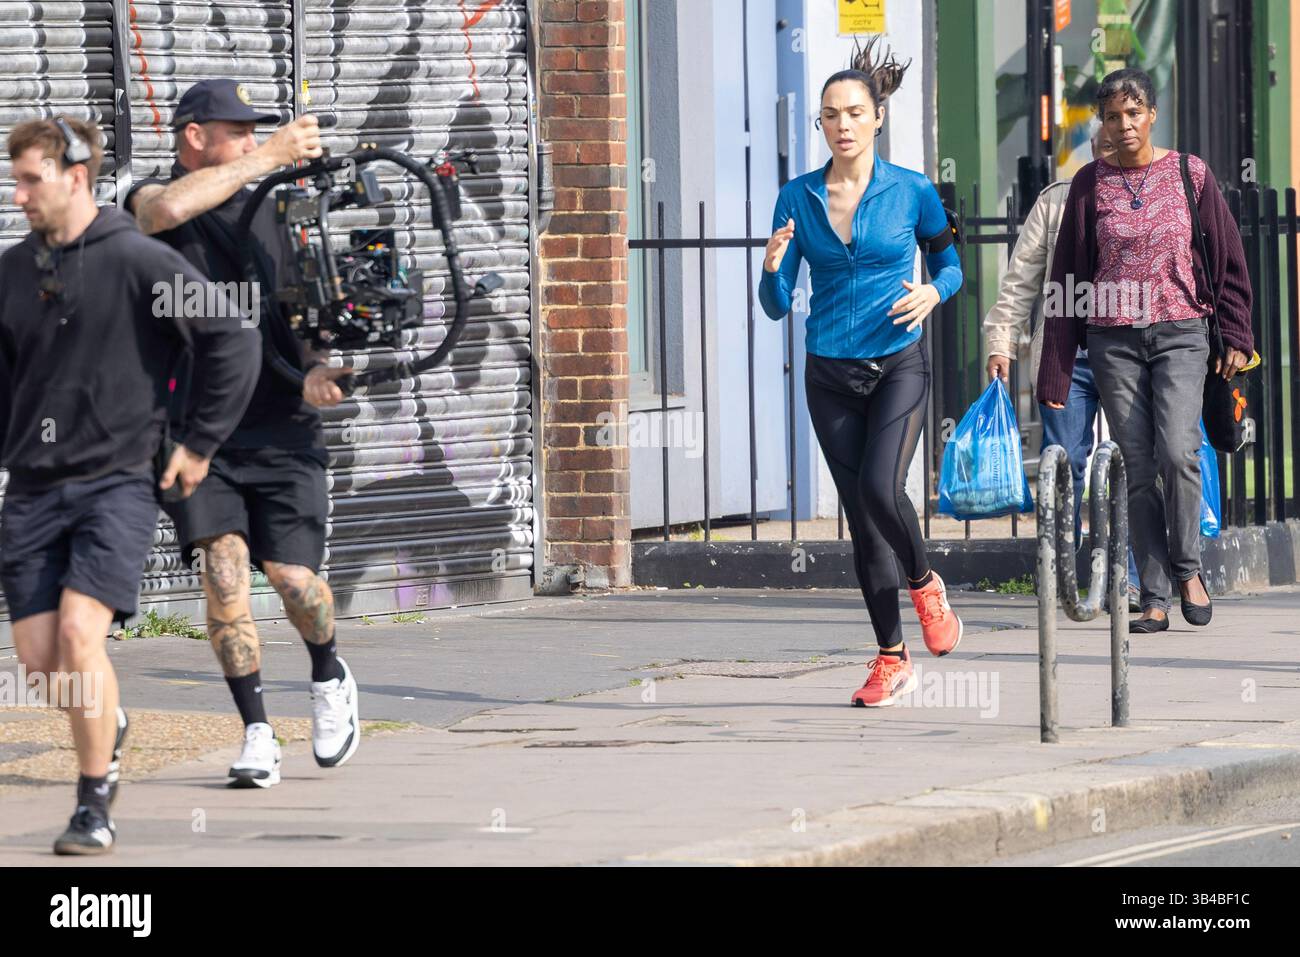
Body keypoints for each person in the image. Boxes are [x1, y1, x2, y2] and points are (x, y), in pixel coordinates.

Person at [0, 116, 259, 852]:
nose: (18, 195)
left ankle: (93, 802)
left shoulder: (141, 262)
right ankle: (105, 719)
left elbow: (232, 338)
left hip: (115, 483)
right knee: (41, 665)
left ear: (76, 177)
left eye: (32, 180)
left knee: (80, 635)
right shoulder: (12, 272)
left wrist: (200, 444)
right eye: (16, 181)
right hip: (31, 489)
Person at [127, 80, 360, 786]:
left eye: (258, 133)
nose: (254, 142)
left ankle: (328, 672)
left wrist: (317, 371)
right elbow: (165, 210)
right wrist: (271, 157)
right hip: (196, 435)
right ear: (195, 136)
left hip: (282, 429)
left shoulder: (279, 212)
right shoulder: (146, 199)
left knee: (294, 582)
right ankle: (257, 730)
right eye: (239, 131)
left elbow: (307, 317)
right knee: (223, 573)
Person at [759, 43, 964, 707]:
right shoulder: (797, 196)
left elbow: (952, 266)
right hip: (829, 375)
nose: (842, 124)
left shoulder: (912, 190)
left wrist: (933, 292)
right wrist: (771, 267)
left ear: (877, 117)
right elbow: (774, 305)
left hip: (898, 361)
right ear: (820, 124)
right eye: (830, 115)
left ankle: (925, 583)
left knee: (882, 486)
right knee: (862, 518)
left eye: (854, 112)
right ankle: (891, 657)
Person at [1037, 68, 1253, 634]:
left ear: (1152, 114)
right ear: (1103, 124)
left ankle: (1188, 570)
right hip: (1113, 340)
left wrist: (1235, 334)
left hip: (1182, 332)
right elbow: (1067, 277)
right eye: (1112, 116)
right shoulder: (1089, 184)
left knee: (1178, 451)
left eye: (1133, 113)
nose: (1124, 124)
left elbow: (1228, 260)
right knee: (1136, 466)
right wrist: (1056, 369)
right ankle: (1153, 595)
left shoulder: (1189, 173)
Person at [984, 126, 1141, 610]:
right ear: (1090, 153)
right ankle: (1061, 572)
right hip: (1066, 355)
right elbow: (1020, 279)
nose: (1111, 155)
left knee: (1133, 463)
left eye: (1120, 147)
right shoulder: (1056, 201)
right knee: (1064, 461)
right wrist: (1001, 342)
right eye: (1103, 147)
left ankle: (1129, 578)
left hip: (1128, 352)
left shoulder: (1149, 198)